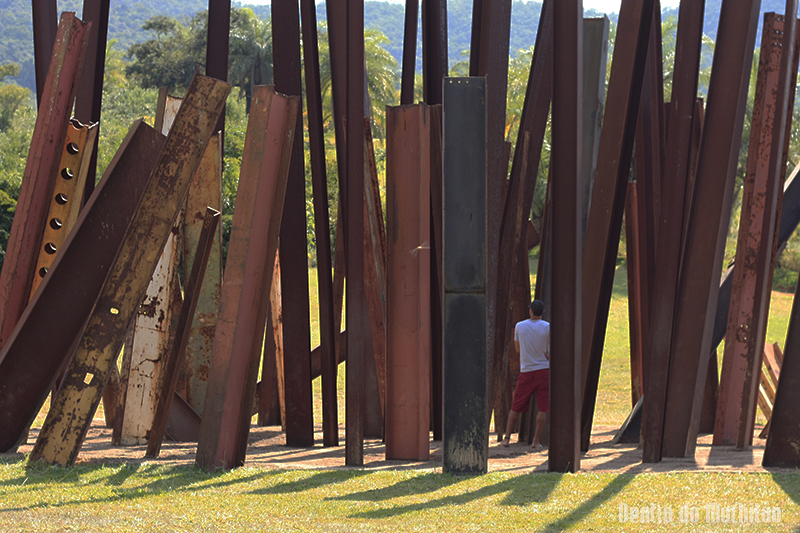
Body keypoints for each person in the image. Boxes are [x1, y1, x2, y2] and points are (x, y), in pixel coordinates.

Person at [500, 299, 549, 449]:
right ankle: (536, 441)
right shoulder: (547, 327)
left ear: (530, 311)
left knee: (516, 406)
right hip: (543, 370)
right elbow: (548, 352)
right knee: (543, 408)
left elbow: (517, 349)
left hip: (527, 370)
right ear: (543, 312)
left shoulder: (520, 326)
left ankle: (507, 439)